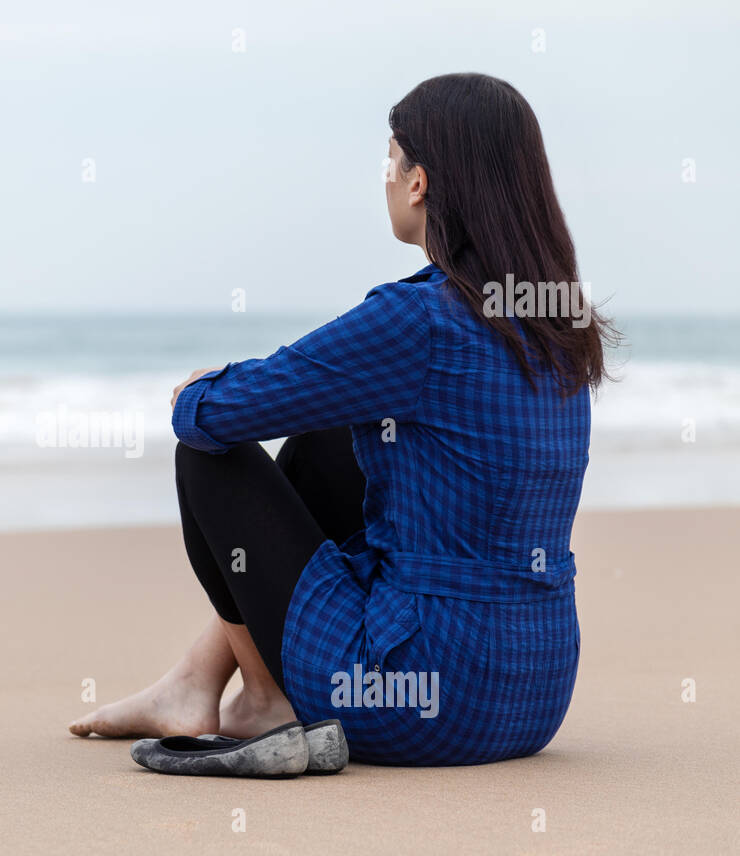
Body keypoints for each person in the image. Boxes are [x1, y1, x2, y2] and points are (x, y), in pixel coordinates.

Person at [70, 73, 618, 766]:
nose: (385, 179)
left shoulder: (415, 320)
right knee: (336, 435)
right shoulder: (556, 322)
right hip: (532, 698)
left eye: (390, 161)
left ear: (418, 181)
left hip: (411, 702)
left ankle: (264, 697)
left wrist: (197, 391)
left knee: (209, 454)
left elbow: (209, 419)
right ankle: (196, 680)